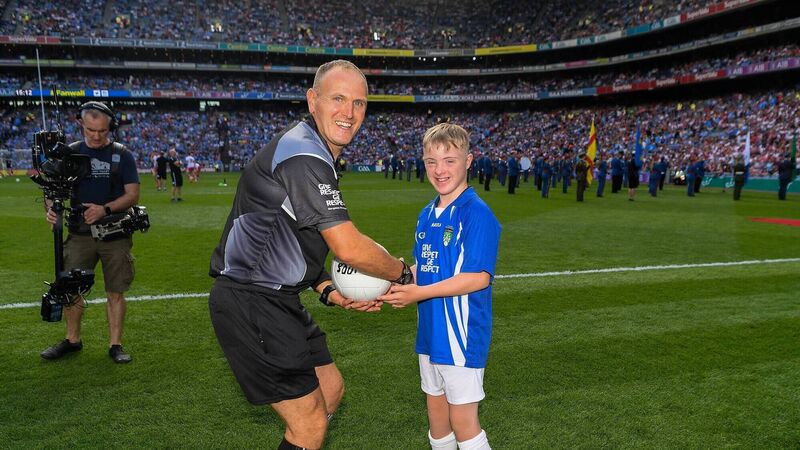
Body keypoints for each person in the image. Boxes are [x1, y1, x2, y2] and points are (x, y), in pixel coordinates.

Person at [207, 60, 413, 450]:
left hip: (276, 299)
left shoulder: (313, 150)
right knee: (309, 423)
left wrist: (329, 290)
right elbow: (348, 247)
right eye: (338, 99)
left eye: (359, 103)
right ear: (312, 100)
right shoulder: (304, 155)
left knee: (329, 390)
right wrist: (403, 274)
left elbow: (295, 239)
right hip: (252, 301)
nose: (349, 113)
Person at [379, 123, 500, 450]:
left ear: (469, 161)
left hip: (460, 335)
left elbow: (478, 278)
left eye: (449, 160)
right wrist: (399, 281)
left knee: (464, 424)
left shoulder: (476, 214)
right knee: (436, 417)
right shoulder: (426, 213)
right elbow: (426, 268)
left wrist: (419, 293)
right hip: (430, 332)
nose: (439, 169)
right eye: (432, 161)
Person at [41, 101, 139, 364]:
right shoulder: (68, 154)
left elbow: (132, 194)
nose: (96, 136)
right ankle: (72, 340)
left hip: (114, 234)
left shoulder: (122, 154)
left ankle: (115, 344)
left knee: (115, 291)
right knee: (71, 288)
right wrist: (51, 210)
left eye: (103, 131)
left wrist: (104, 209)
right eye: (91, 130)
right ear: (81, 124)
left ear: (110, 128)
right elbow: (52, 191)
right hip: (79, 234)